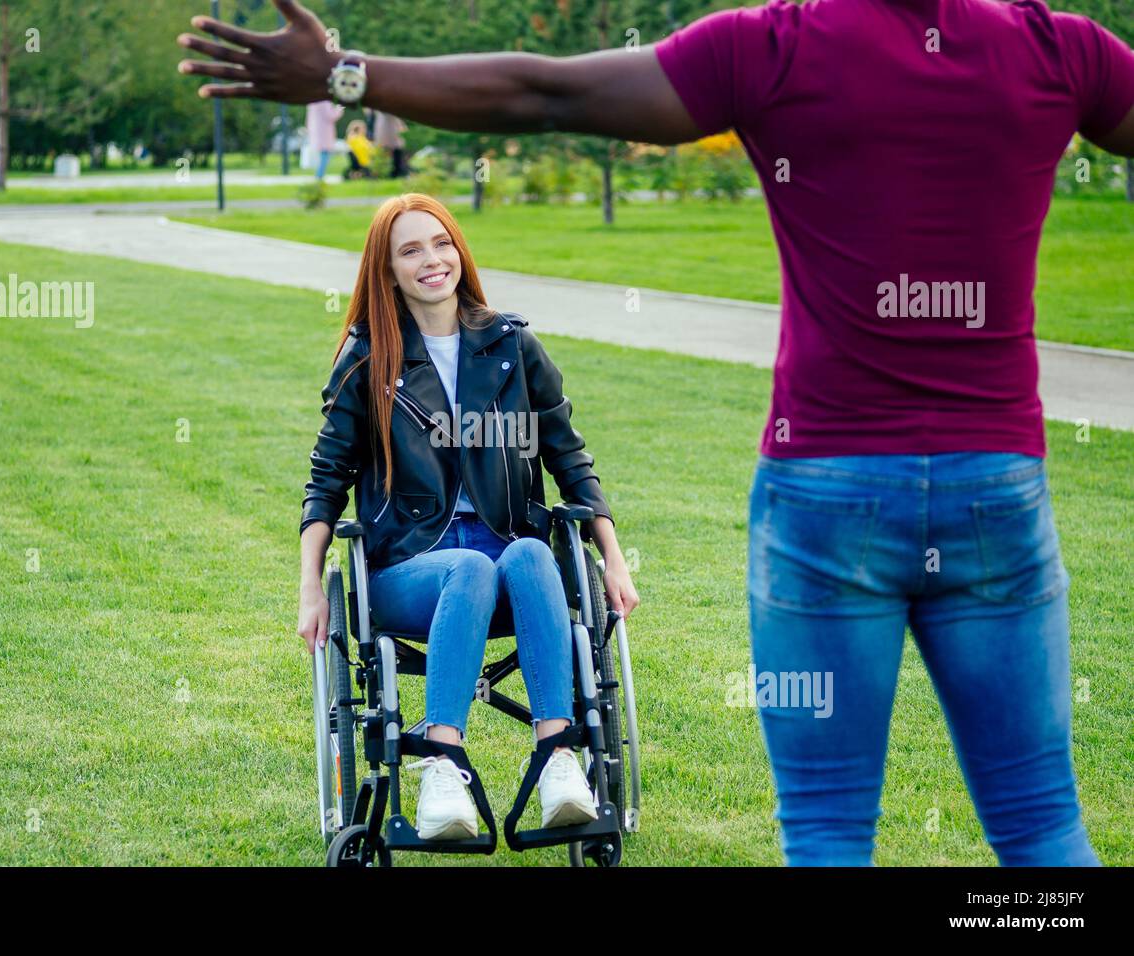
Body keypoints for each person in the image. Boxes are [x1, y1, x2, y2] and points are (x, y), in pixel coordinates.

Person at [178, 0, 1134, 865]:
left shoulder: (777, 46)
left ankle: (538, 756)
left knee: (833, 826)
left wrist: (348, 75)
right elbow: (329, 472)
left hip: (828, 486)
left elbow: (540, 91)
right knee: (1043, 824)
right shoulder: (1057, 49)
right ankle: (472, 761)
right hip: (995, 481)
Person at [294, 192, 640, 839]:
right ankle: (442, 765)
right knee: (467, 571)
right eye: (411, 250)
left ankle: (559, 759)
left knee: (532, 553)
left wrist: (612, 559)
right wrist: (311, 585)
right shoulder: (368, 360)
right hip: (410, 569)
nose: (432, 259)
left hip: (512, 562)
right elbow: (327, 478)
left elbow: (569, 456)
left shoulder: (511, 346)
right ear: (387, 270)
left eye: (442, 242)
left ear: (460, 251)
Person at [304, 99, 344, 179]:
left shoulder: (312, 103)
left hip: (316, 131)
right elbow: (330, 116)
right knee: (325, 154)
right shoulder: (324, 102)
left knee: (323, 155)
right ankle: (319, 175)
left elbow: (308, 118)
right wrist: (339, 109)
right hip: (324, 131)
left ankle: (319, 175)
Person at [372, 110, 410, 178]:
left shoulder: (384, 115)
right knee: (391, 158)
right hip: (390, 141)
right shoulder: (385, 115)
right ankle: (392, 173)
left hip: (390, 141)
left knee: (394, 158)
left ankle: (394, 173)